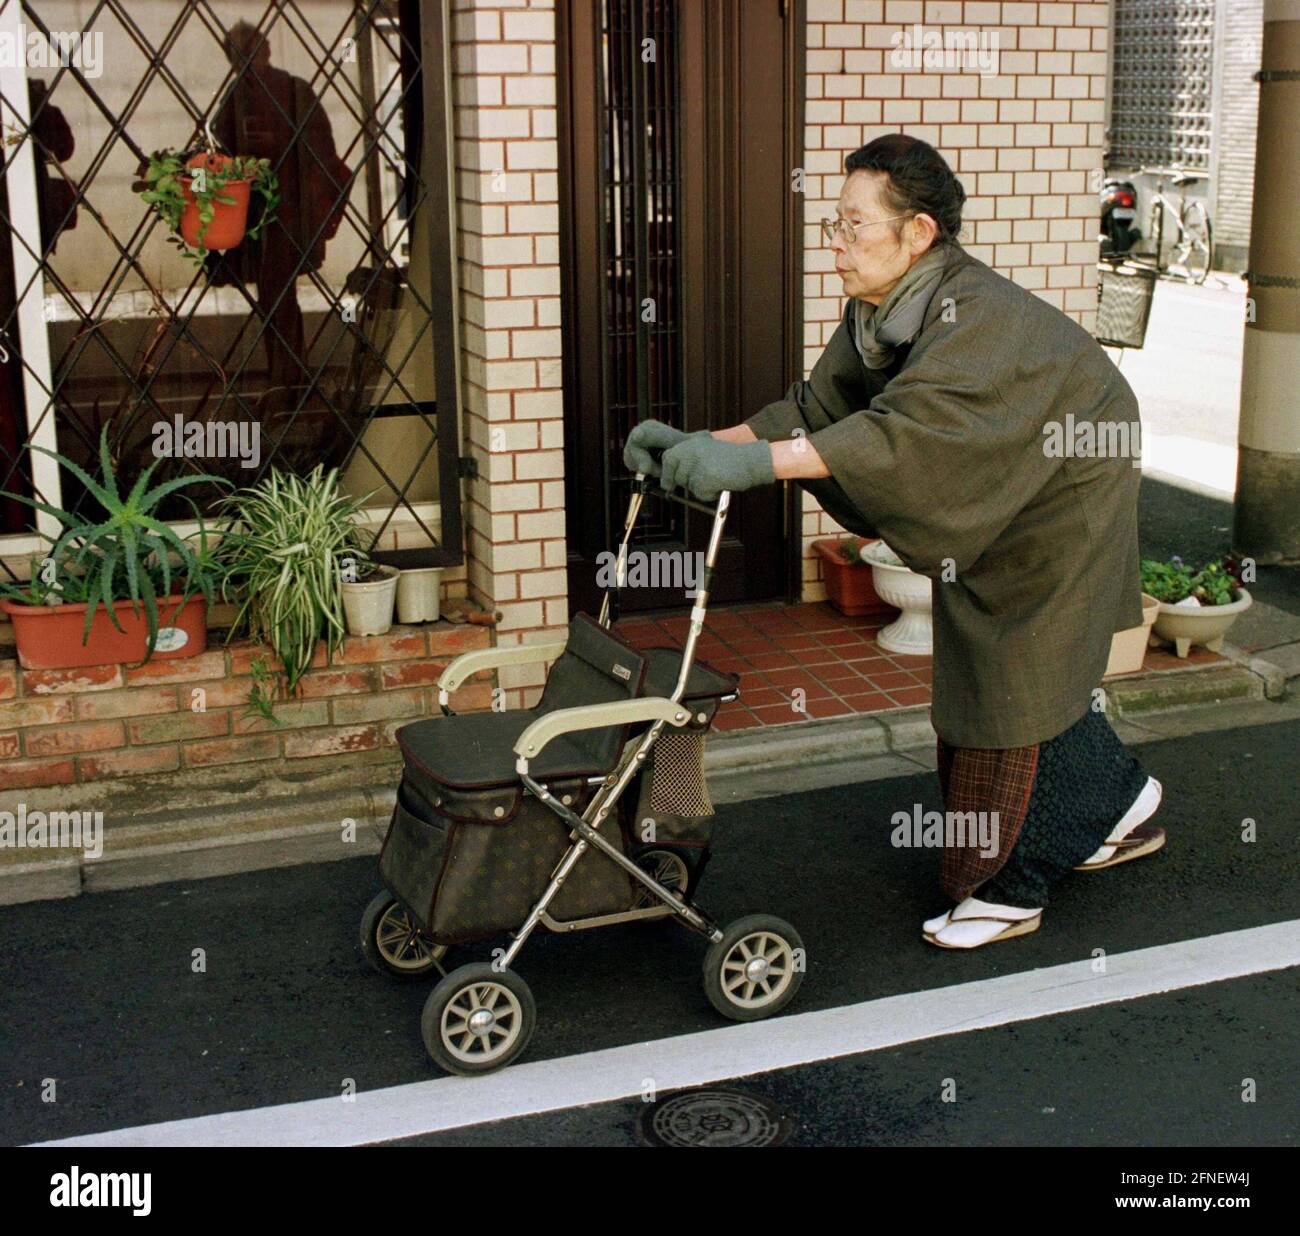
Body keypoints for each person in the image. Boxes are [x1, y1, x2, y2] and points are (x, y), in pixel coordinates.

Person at [624, 134, 1165, 951]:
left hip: (1065, 489)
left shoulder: (976, 318)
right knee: (1010, 665)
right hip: (1003, 480)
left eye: (851, 227)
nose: (835, 247)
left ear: (918, 233)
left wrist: (751, 464)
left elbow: (901, 441)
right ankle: (1124, 802)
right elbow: (815, 411)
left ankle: (1012, 884)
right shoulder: (878, 309)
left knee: (1018, 669)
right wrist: (701, 442)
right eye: (832, 228)